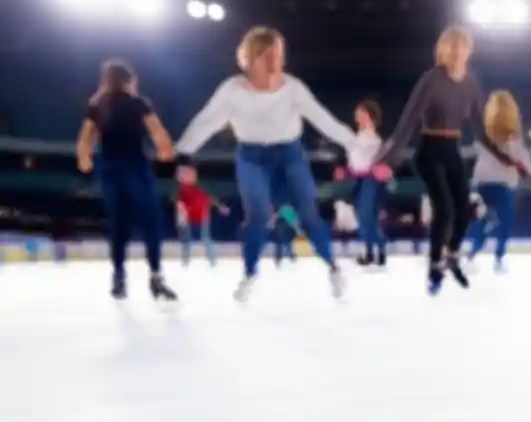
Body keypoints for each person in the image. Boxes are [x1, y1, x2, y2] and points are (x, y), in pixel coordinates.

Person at [175, 27, 354, 301]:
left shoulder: (293, 88)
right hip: (252, 158)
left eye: (278, 57)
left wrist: (354, 143)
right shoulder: (232, 91)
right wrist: (183, 154)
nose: (274, 64)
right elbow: (206, 121)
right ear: (248, 59)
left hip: (290, 156)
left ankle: (333, 267)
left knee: (308, 215)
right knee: (257, 215)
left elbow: (323, 119)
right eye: (266, 57)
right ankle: (249, 273)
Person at [378, 25, 520, 294]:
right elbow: (408, 123)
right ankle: (434, 265)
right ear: (443, 50)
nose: (457, 52)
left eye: (462, 47)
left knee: (464, 209)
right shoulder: (431, 80)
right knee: (444, 209)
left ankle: (452, 254)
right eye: (452, 47)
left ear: (469, 51)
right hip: (429, 151)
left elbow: (480, 128)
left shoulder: (470, 83)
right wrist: (385, 159)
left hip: (452, 150)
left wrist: (504, 157)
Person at [75, 59, 178, 301]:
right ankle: (156, 277)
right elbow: (159, 135)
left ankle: (119, 278)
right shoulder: (139, 103)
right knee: (150, 221)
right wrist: (165, 153)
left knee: (118, 223)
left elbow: (85, 140)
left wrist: (85, 160)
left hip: (109, 169)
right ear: (129, 80)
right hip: (135, 166)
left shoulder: (97, 105)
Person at [467, 90, 531, 272]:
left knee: (484, 220)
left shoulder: (485, 136)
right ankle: (497, 257)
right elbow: (527, 164)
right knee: (505, 220)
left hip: (482, 183)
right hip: (501, 185)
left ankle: (473, 253)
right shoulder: (511, 139)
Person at [347, 99, 393, 269]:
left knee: (367, 216)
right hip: (358, 179)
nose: (356, 116)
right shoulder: (358, 136)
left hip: (371, 179)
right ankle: (372, 251)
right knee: (364, 217)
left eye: (360, 112)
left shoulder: (374, 138)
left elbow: (380, 159)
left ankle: (378, 246)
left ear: (368, 115)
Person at [175, 165, 229, 269]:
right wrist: (182, 218)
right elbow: (180, 205)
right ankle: (186, 261)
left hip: (202, 216)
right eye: (187, 175)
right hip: (189, 218)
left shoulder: (198, 190)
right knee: (187, 241)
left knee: (205, 239)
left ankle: (212, 260)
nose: (192, 177)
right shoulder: (183, 191)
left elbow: (210, 199)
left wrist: (221, 207)